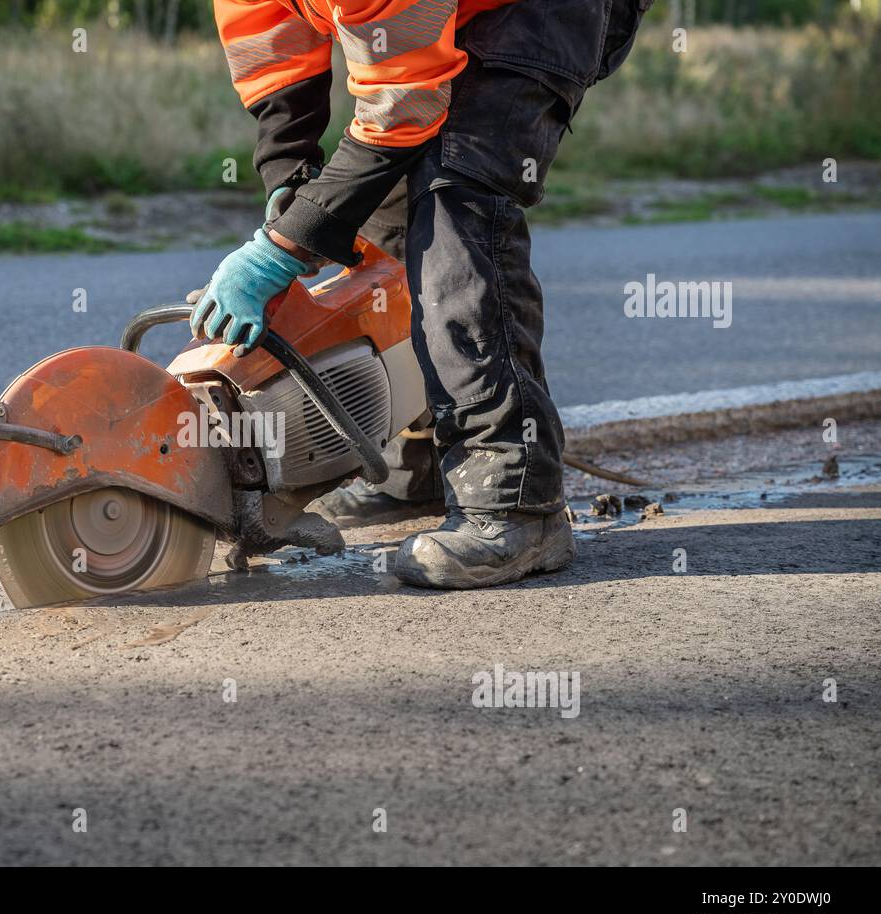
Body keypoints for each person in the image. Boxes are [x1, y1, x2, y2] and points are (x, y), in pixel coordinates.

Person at [190, 0, 651, 589]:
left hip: (537, 13)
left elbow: (404, 104)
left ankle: (515, 504)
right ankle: (417, 472)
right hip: (433, 23)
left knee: (455, 198)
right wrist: (291, 180)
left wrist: (284, 246)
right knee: (384, 227)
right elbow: (273, 61)